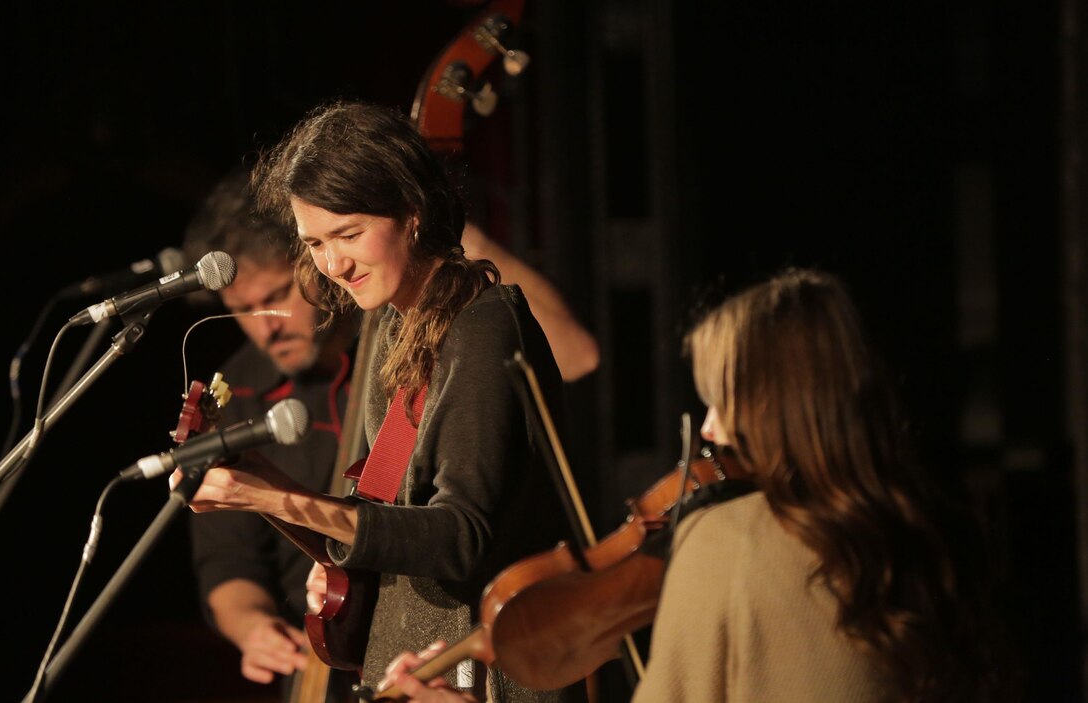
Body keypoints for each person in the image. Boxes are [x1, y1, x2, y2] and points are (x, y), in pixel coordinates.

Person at [379, 268, 1015, 702]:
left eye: (723, 401)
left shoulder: (729, 540)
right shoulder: (924, 533)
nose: (708, 428)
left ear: (778, 409)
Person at [179, 111, 598, 703]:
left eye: (348, 236)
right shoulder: (392, 324)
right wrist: (257, 481)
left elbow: (459, 537)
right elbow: (383, 525)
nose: (333, 267)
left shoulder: (484, 326)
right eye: (315, 244)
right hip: (409, 670)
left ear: (413, 212)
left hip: (482, 678)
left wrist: (270, 497)